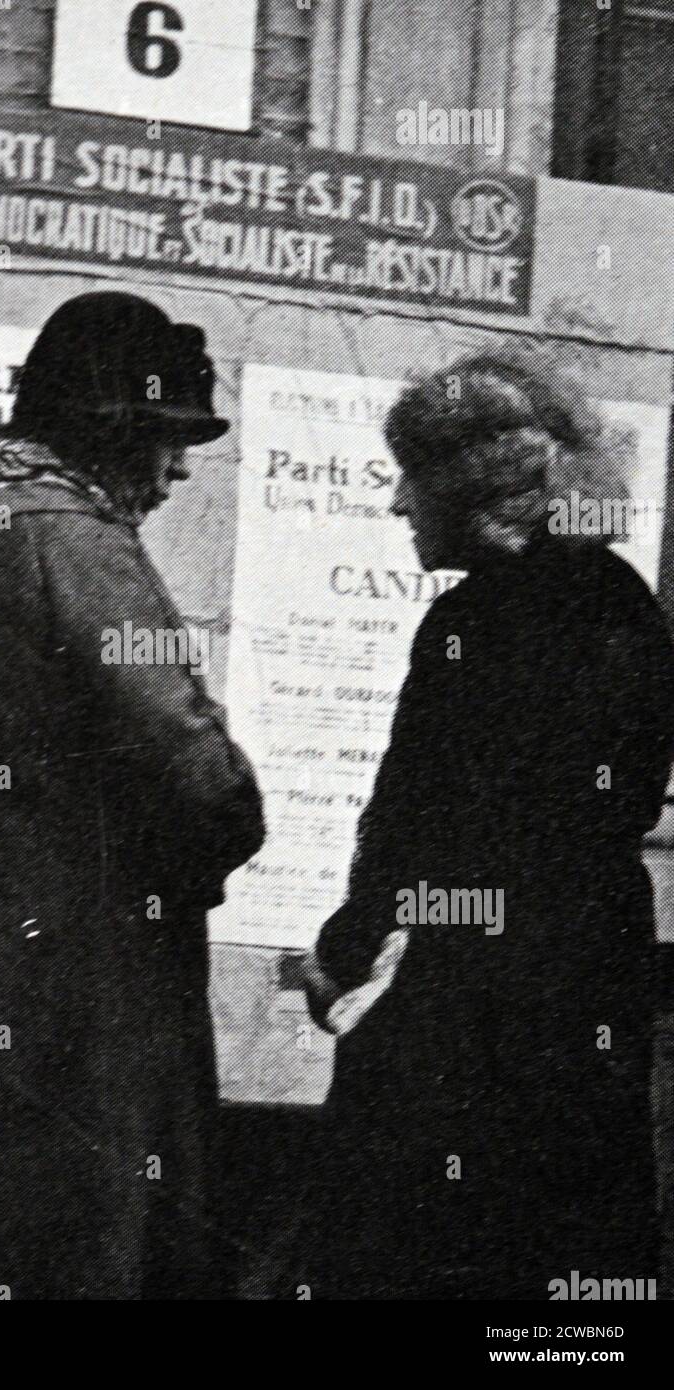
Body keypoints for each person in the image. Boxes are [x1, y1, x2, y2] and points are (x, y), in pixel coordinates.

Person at [0, 291, 264, 1300]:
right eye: (166, 438)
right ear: (111, 428)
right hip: (79, 1038)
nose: (179, 467)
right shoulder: (76, 546)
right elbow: (204, 786)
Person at [298, 351, 674, 1299]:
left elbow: (413, 822)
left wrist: (342, 956)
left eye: (410, 480)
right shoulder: (625, 604)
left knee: (418, 1251)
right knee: (559, 1262)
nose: (395, 506)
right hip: (591, 976)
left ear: (469, 493)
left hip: (469, 1008)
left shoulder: (475, 624)